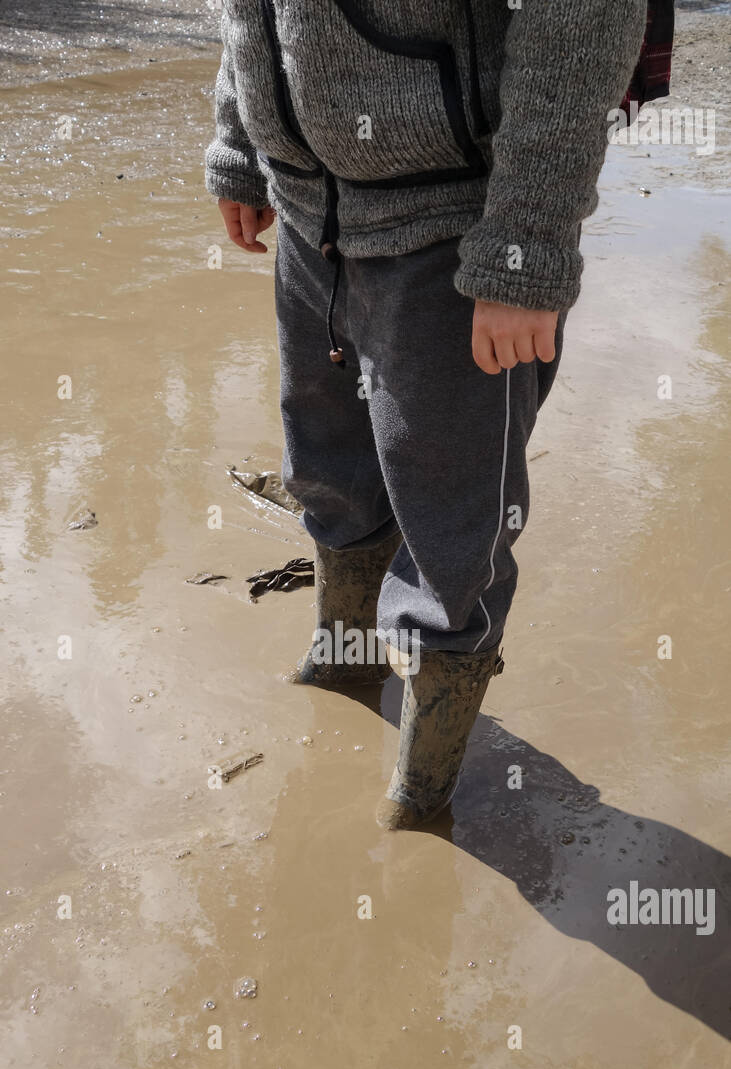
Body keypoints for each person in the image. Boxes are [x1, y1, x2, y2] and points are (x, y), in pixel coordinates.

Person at [206, 0, 649, 830]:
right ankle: (344, 663)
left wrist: (524, 248)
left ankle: (422, 791)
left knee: (454, 524)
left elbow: (581, 18)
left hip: (454, 230)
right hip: (310, 219)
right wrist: (239, 145)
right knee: (327, 466)